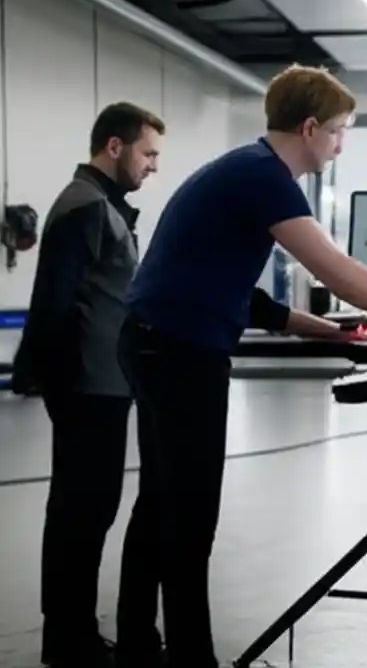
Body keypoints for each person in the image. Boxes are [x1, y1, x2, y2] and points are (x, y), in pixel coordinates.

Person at [113, 64, 367, 668]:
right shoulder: (265, 177)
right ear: (312, 126)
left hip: (154, 341)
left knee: (161, 505)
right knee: (188, 516)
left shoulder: (242, 169)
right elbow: (334, 268)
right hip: (180, 352)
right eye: (342, 131)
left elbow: (240, 292)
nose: (343, 144)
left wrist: (328, 330)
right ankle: (191, 658)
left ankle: (141, 644)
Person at [10, 102, 165, 668]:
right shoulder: (84, 206)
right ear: (115, 147)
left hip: (104, 381)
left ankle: (74, 629)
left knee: (90, 509)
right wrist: (46, 376)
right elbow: (54, 297)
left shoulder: (103, 206)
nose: (153, 165)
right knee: (81, 510)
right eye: (148, 153)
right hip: (84, 384)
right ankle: (67, 637)